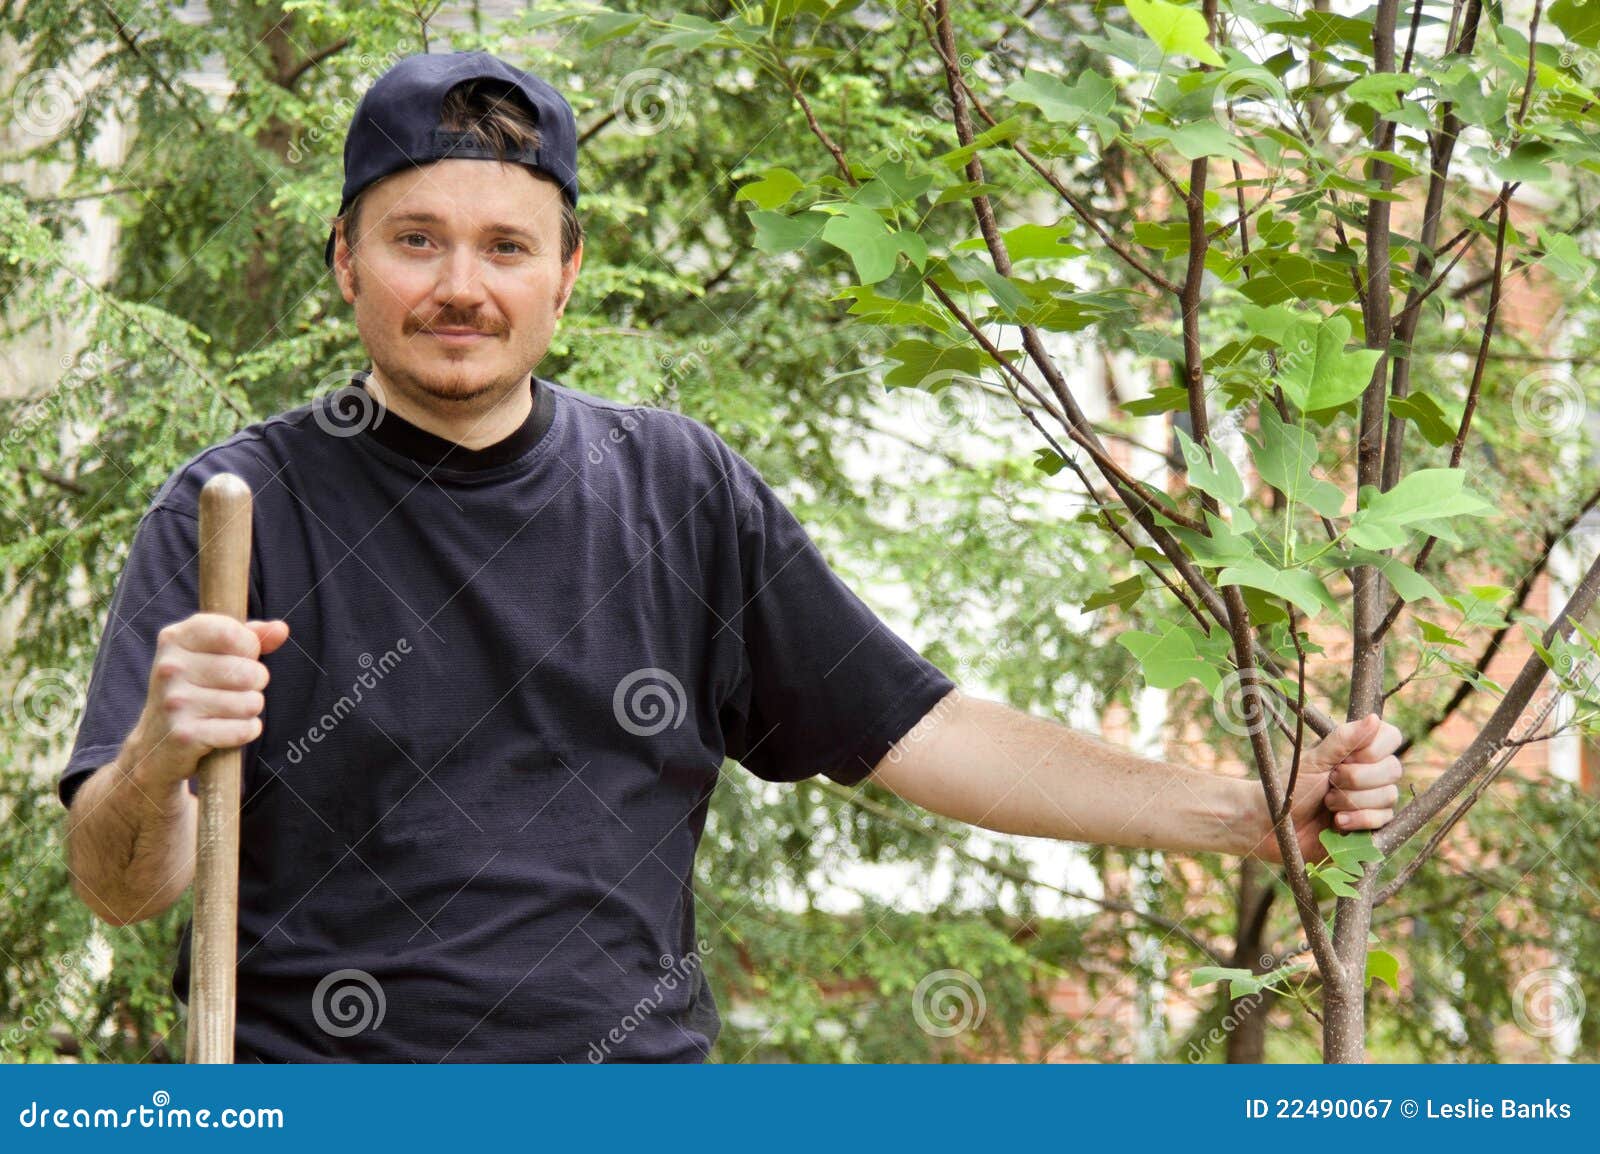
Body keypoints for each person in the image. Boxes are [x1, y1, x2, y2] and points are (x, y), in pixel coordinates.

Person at [59, 51, 1404, 1063]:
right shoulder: (236, 511)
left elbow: (923, 731)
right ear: (346, 259)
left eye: (505, 245)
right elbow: (123, 888)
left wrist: (1244, 809)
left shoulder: (676, 488)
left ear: (566, 275)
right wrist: (157, 756)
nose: (458, 284)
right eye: (416, 240)